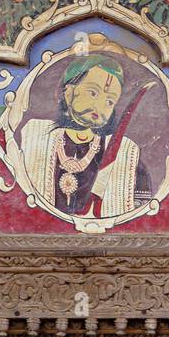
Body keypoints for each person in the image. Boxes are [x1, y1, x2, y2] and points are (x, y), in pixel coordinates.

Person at [19, 53, 152, 217]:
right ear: (68, 93)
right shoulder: (34, 136)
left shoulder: (127, 154)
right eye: (93, 93)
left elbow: (139, 217)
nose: (100, 106)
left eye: (110, 101)